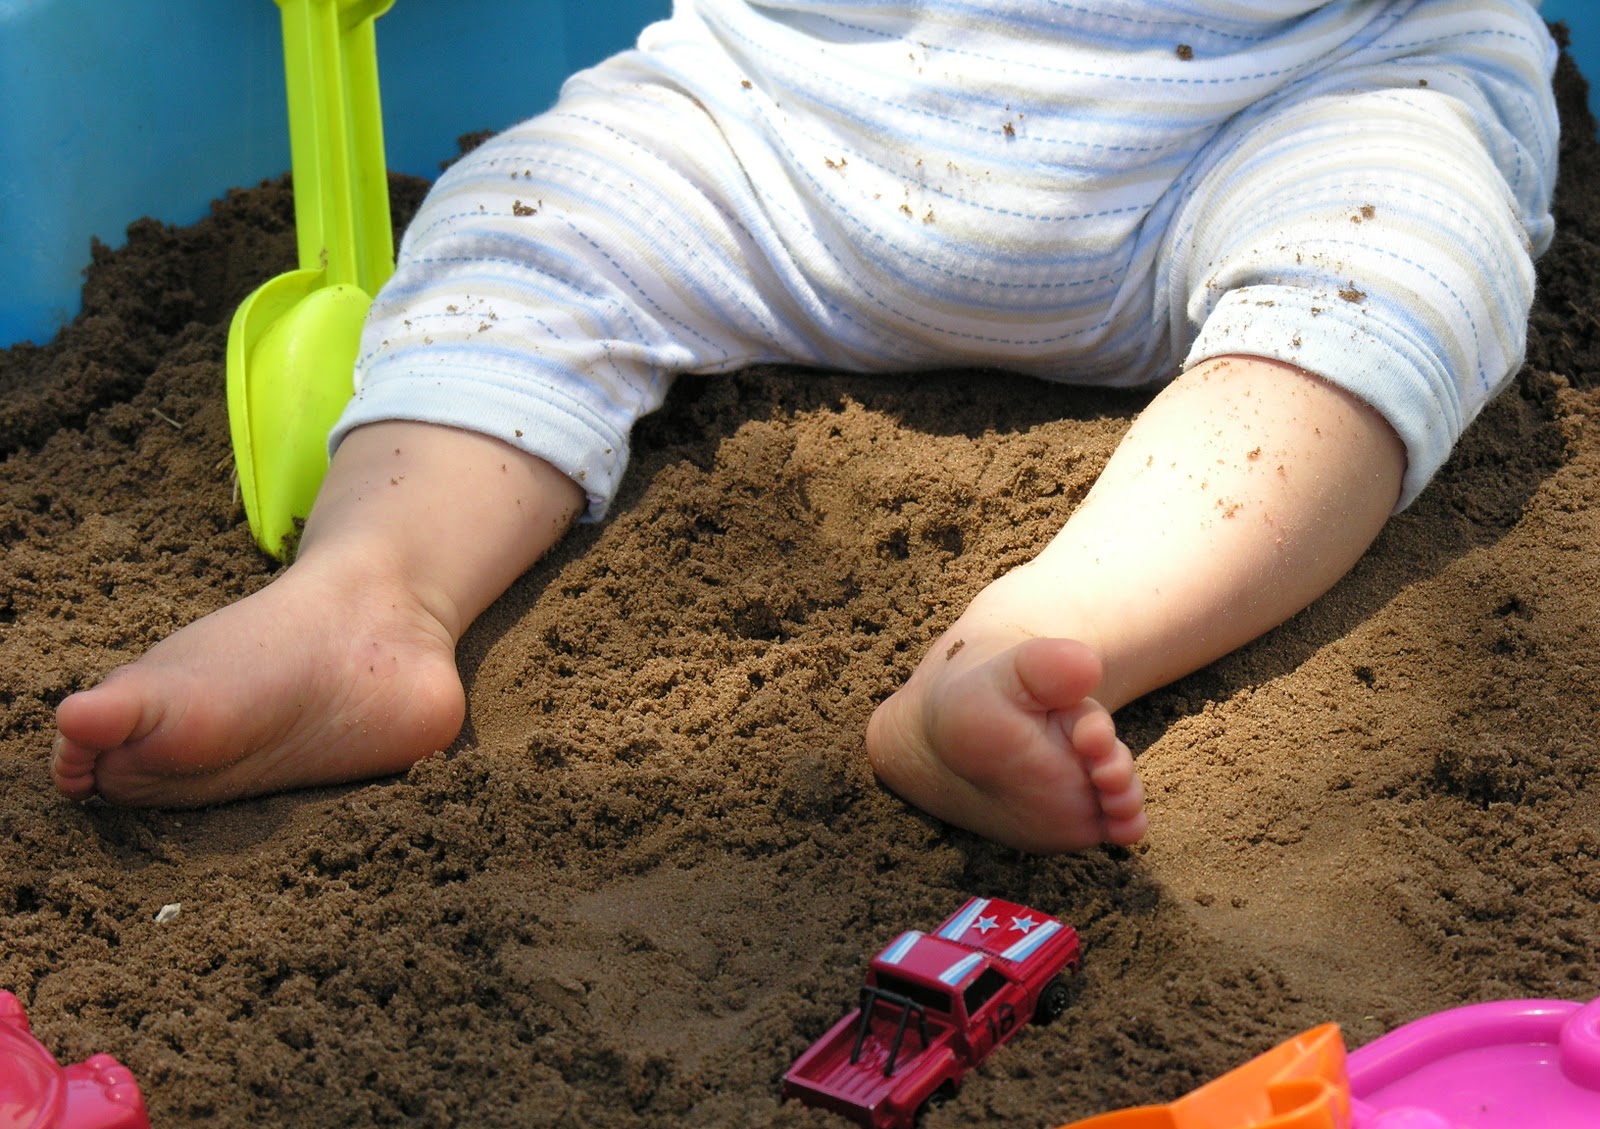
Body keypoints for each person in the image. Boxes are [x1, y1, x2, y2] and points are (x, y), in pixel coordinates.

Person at [51, 0, 1559, 854]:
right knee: (533, 214)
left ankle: (1050, 634)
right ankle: (364, 600)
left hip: (1284, 104)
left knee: (1396, 271)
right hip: (789, 114)